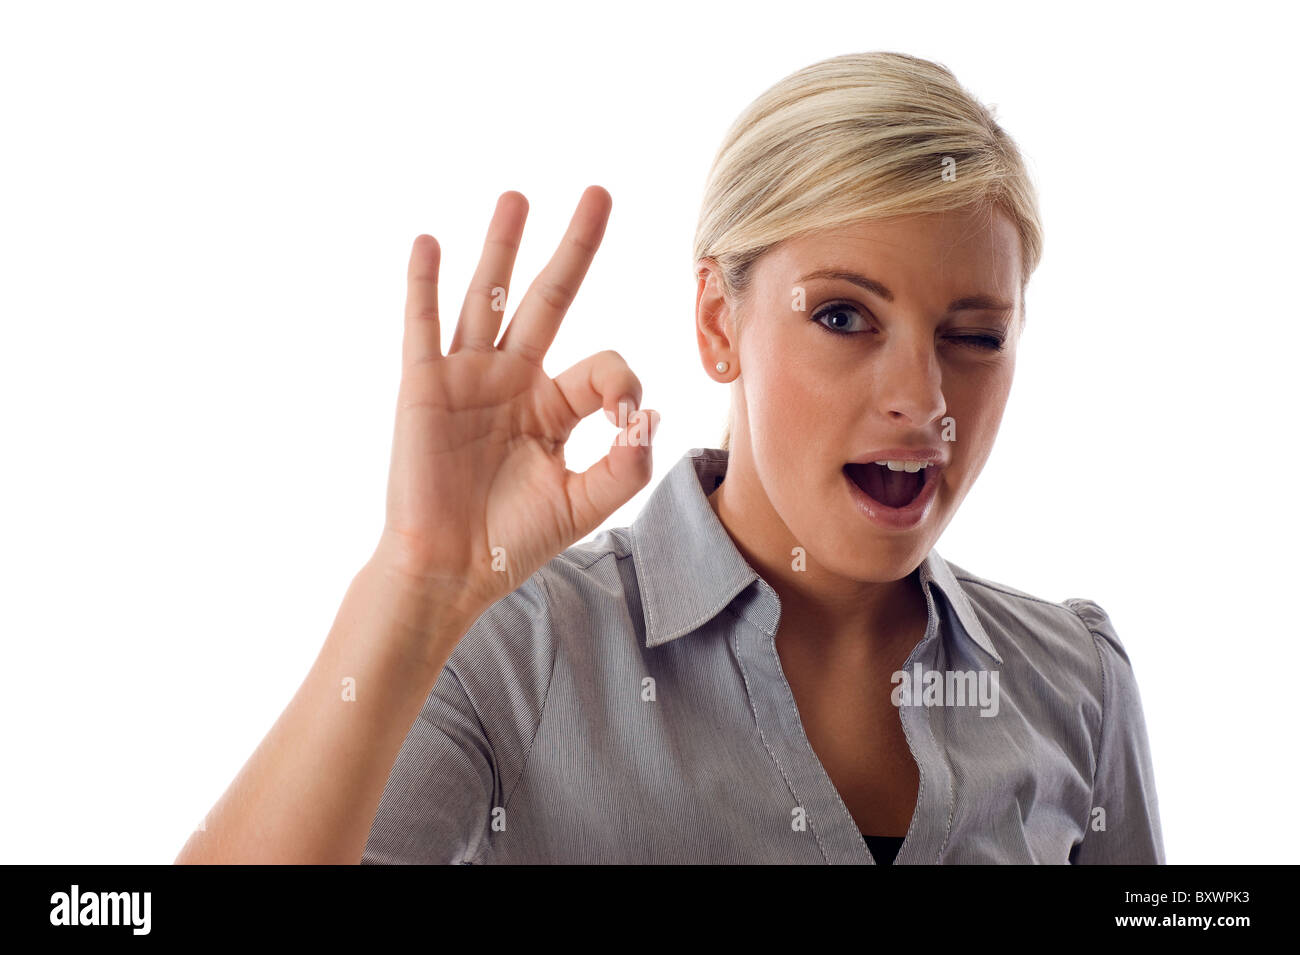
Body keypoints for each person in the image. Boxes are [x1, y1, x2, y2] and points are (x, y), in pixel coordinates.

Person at [175, 51, 1164, 865]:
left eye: (974, 336)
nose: (923, 398)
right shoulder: (513, 650)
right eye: (841, 316)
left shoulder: (1073, 679)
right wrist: (415, 584)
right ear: (716, 322)